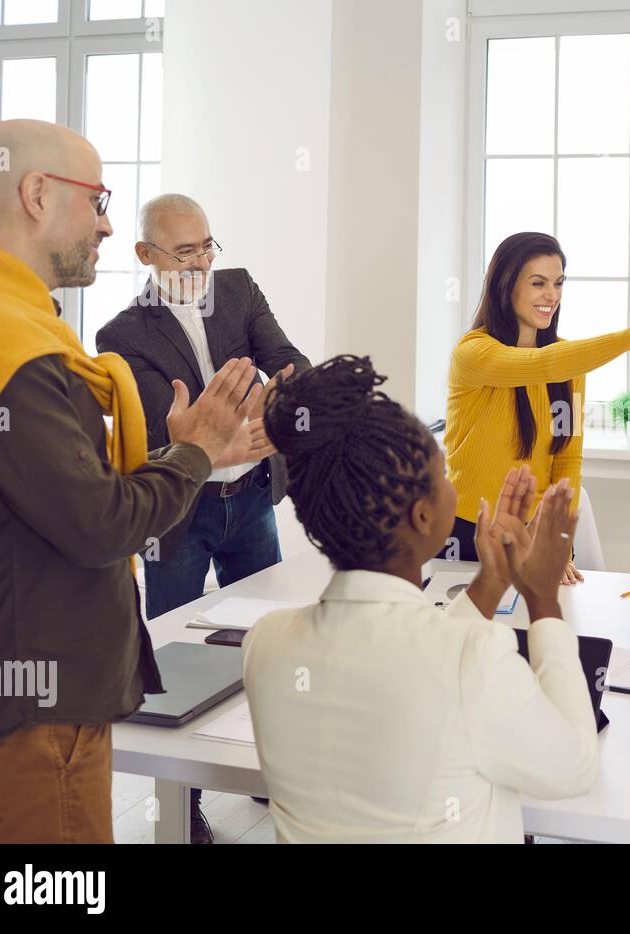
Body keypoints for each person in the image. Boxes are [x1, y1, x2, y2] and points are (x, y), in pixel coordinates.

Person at [0, 119, 270, 844]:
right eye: (96, 201)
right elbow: (102, 524)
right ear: (37, 194)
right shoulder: (17, 349)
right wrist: (193, 454)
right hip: (35, 713)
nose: (103, 225)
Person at [242, 356, 599, 842]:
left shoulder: (267, 644)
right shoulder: (472, 656)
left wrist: (491, 583)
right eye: (442, 475)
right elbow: (575, 768)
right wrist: (542, 599)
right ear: (423, 516)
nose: (454, 485)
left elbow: (405, 651)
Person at [95, 193, 309, 843]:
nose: (201, 263)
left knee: (269, 645)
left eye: (207, 246)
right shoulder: (122, 336)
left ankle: (275, 777)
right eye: (184, 252)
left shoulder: (238, 290)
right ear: (145, 255)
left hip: (248, 501)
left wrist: (278, 406)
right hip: (178, 514)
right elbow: (176, 429)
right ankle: (181, 807)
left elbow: (287, 360)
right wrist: (232, 432)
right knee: (176, 661)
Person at [440, 231, 630, 583]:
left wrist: (557, 543)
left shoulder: (567, 366)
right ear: (506, 285)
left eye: (558, 283)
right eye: (538, 283)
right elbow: (542, 364)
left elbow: (567, 460)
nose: (551, 295)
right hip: (468, 536)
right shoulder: (473, 353)